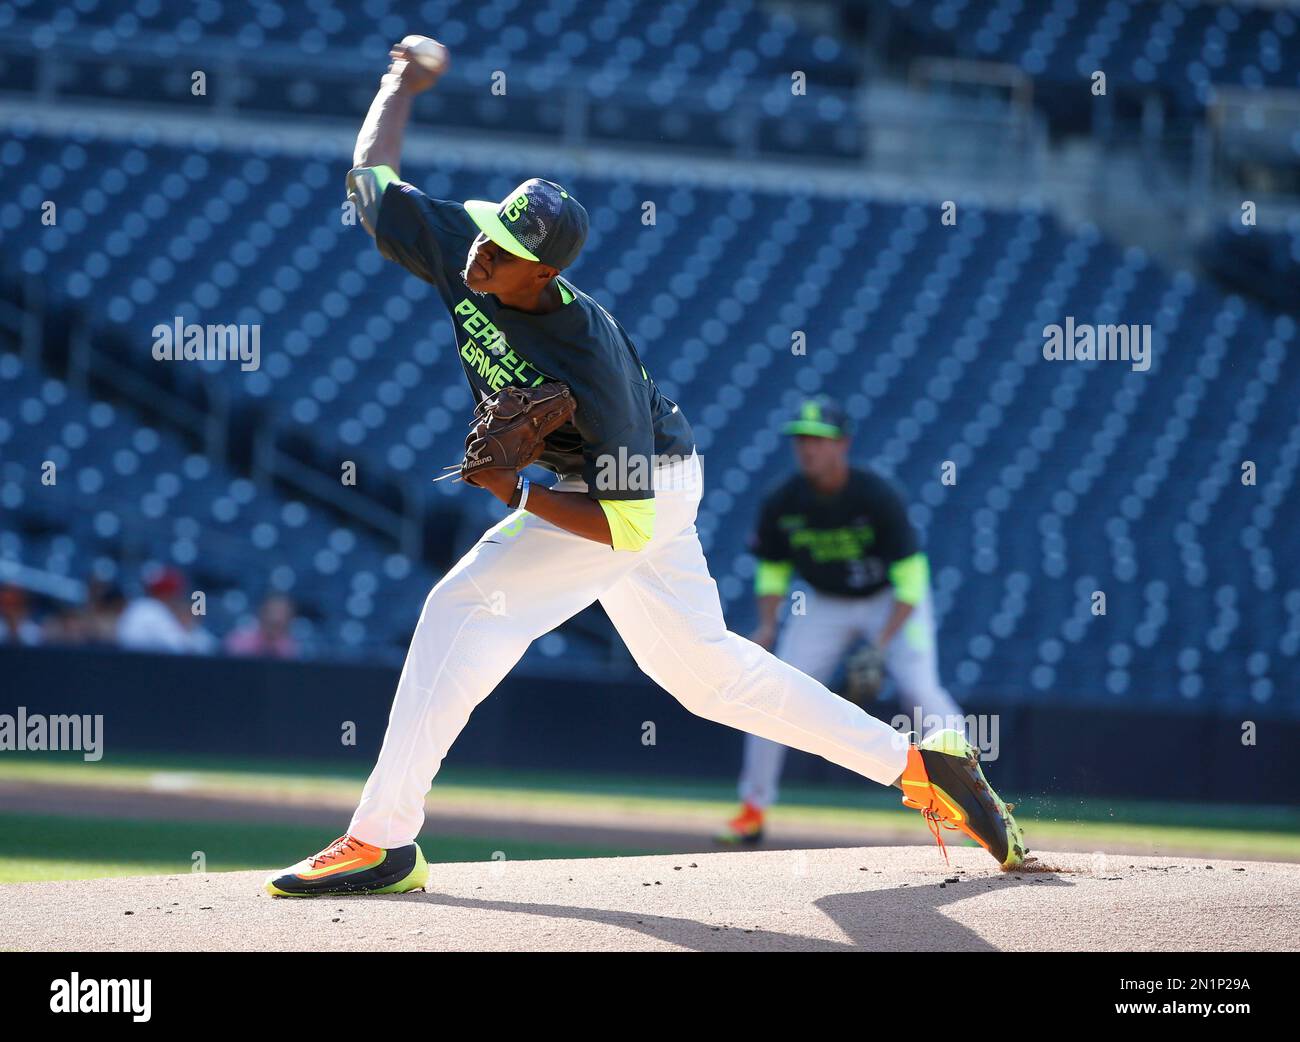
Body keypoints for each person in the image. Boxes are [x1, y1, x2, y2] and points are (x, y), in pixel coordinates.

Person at [265, 37, 1024, 897]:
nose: (483, 253)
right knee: (707, 676)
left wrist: (517, 492)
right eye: (489, 232)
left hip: (632, 491)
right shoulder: (463, 249)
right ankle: (923, 770)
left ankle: (381, 841)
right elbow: (369, 181)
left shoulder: (587, 360)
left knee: (464, 606)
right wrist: (398, 82)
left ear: (545, 272)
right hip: (639, 477)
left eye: (506, 249)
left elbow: (621, 525)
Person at [718, 398, 966, 844]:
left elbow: (912, 580)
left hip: (889, 601)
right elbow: (772, 570)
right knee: (775, 693)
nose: (807, 448)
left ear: (842, 444)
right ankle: (753, 809)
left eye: (818, 439)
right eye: (802, 439)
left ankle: (971, 798)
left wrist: (880, 644)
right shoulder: (784, 500)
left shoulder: (875, 495)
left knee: (921, 691)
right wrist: (768, 624)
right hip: (823, 602)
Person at [117, 566, 215, 654]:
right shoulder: (151, 610)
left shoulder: (137, 605)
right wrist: (188, 628)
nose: (175, 597)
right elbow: (181, 646)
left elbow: (206, 644)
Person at [225, 594, 300, 659]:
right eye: (272, 612)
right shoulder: (240, 642)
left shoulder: (292, 649)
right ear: (262, 614)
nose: (276, 618)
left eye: (282, 614)